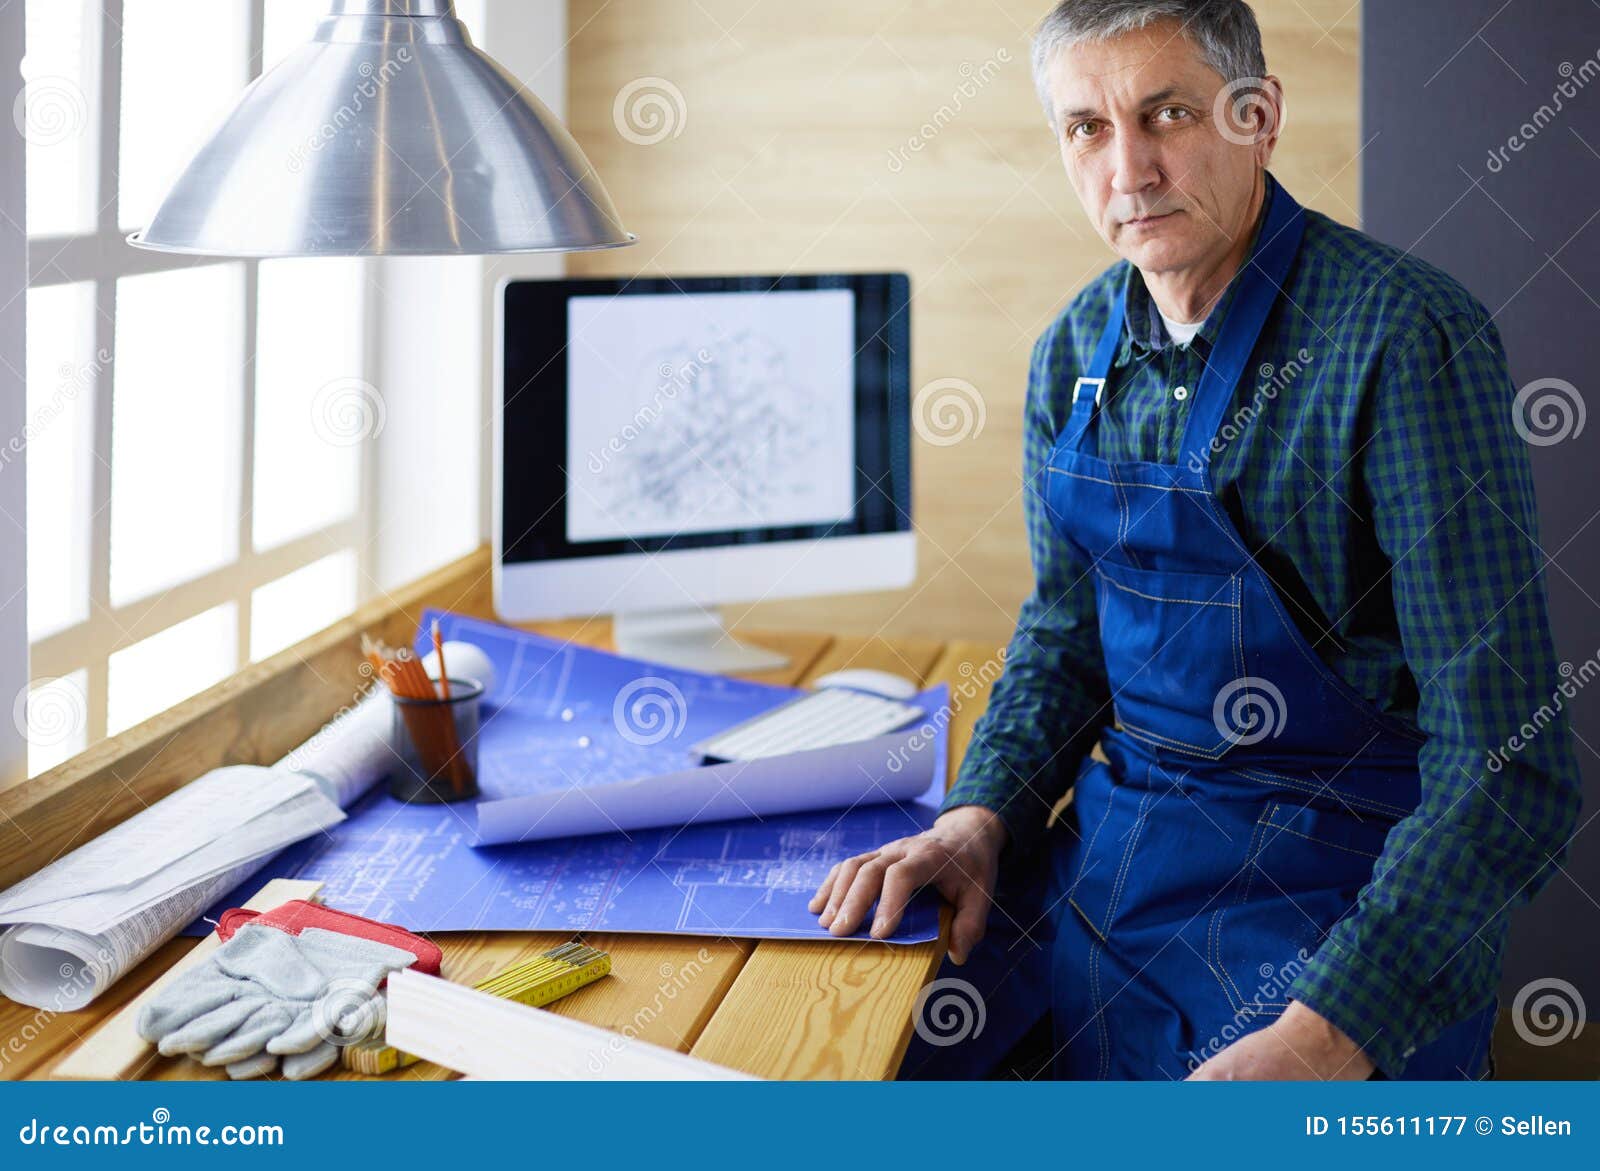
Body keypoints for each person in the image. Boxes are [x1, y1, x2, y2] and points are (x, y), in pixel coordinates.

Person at [809, 0, 1582, 1081]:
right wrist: (980, 815)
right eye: (1086, 127)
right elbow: (1064, 636)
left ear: (1258, 116)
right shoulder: (1072, 349)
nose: (1128, 169)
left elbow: (1510, 764)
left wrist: (1323, 1039)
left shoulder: (1403, 342)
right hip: (1115, 860)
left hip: (1334, 895)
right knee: (846, 1062)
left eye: (1166, 113)